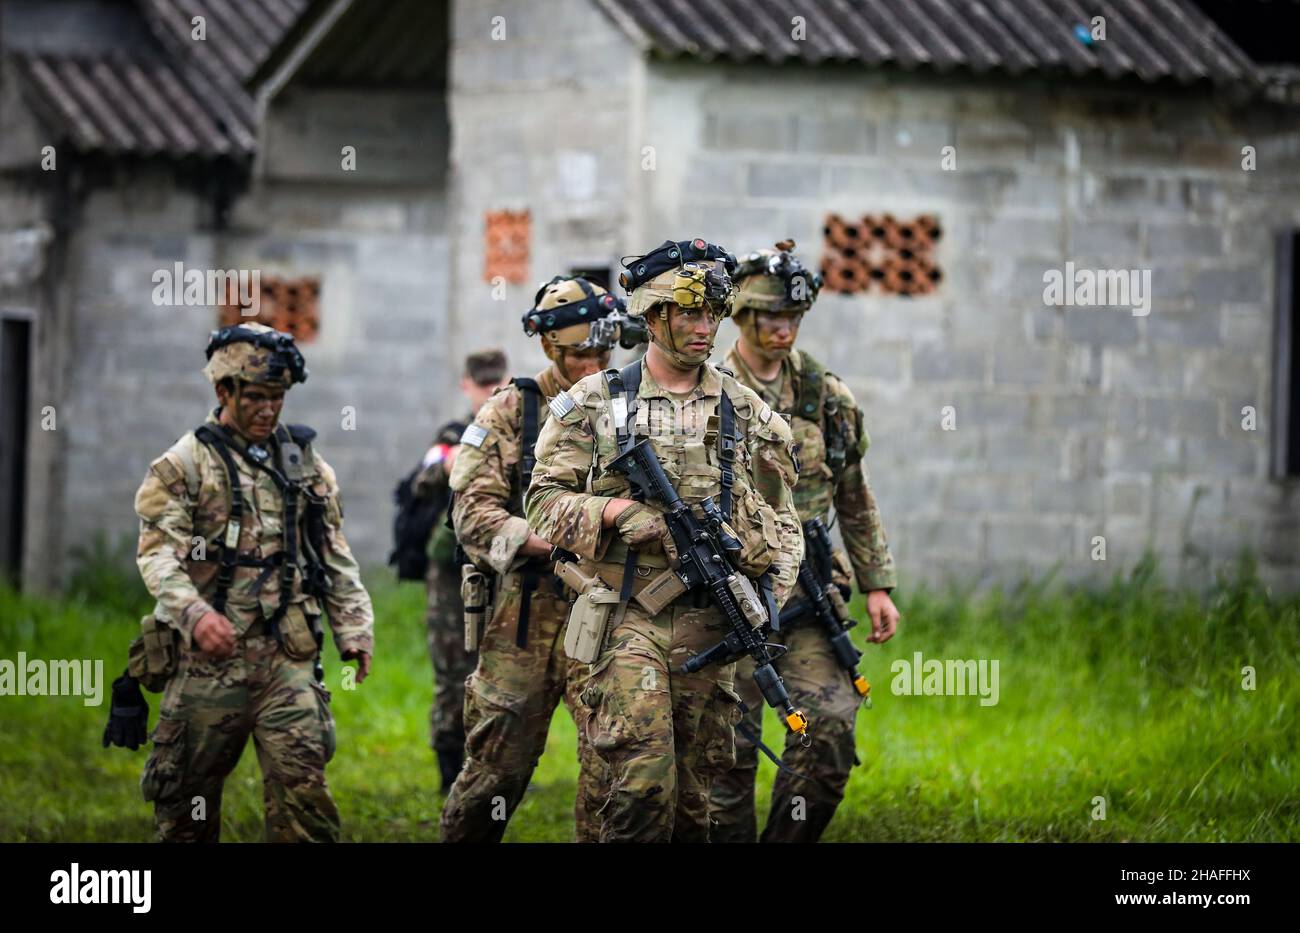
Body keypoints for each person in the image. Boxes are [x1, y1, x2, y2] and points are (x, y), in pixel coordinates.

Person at [525, 238, 805, 842]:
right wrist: (620, 514)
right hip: (626, 613)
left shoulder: (744, 409)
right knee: (642, 783)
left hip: (712, 623)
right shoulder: (594, 403)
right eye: (690, 314)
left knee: (695, 802)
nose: (705, 328)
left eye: (713, 314)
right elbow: (542, 505)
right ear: (654, 317)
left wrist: (768, 595)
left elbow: (786, 517)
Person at [123, 322, 373, 842]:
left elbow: (332, 552)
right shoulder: (184, 464)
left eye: (277, 398)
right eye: (256, 397)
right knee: (185, 806)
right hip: (207, 661)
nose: (269, 410)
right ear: (224, 391)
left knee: (304, 796)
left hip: (288, 656)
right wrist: (194, 615)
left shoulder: (301, 461)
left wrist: (354, 629)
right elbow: (157, 557)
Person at [709, 240, 901, 843]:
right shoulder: (702, 390)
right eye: (770, 317)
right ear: (742, 316)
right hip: (722, 601)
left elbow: (853, 493)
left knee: (830, 728)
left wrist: (877, 585)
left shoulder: (825, 397)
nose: (783, 329)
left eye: (792, 317)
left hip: (807, 598)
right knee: (724, 755)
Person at [439, 276, 627, 842]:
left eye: (602, 353)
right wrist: (548, 539)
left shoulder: (630, 409)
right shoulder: (512, 411)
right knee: (495, 771)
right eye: (580, 355)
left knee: (613, 772)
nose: (594, 366)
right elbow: (471, 513)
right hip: (525, 616)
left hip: (610, 616)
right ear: (549, 348)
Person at [411, 349, 509, 791]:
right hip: (453, 573)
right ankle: (448, 769)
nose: (490, 391)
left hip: (504, 570)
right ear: (466, 386)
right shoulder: (454, 434)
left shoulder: (518, 432)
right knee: (453, 670)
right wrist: (451, 462)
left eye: (497, 383)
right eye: (481, 383)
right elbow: (424, 475)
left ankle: (492, 769)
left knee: (501, 672)